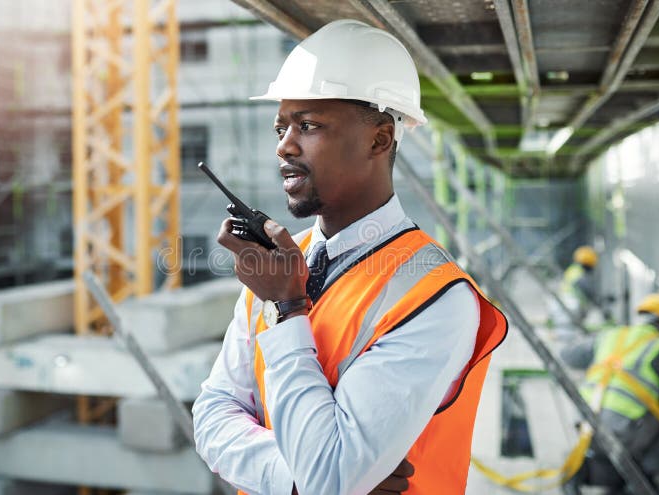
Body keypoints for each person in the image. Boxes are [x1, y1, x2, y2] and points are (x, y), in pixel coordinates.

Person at [192, 19, 508, 495]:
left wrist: (290, 308)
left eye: (309, 125)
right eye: (281, 126)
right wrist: (293, 479)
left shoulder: (435, 296)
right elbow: (212, 413)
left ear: (379, 140)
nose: (284, 145)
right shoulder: (280, 261)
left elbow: (331, 476)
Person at [561, 294, 659, 494]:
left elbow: (568, 356)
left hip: (585, 425)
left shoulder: (611, 335)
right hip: (626, 434)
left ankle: (585, 471)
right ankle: (650, 473)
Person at [549, 246, 599, 338]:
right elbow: (587, 291)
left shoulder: (573, 269)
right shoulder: (579, 273)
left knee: (566, 333)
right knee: (567, 335)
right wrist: (598, 302)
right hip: (569, 304)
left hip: (563, 304)